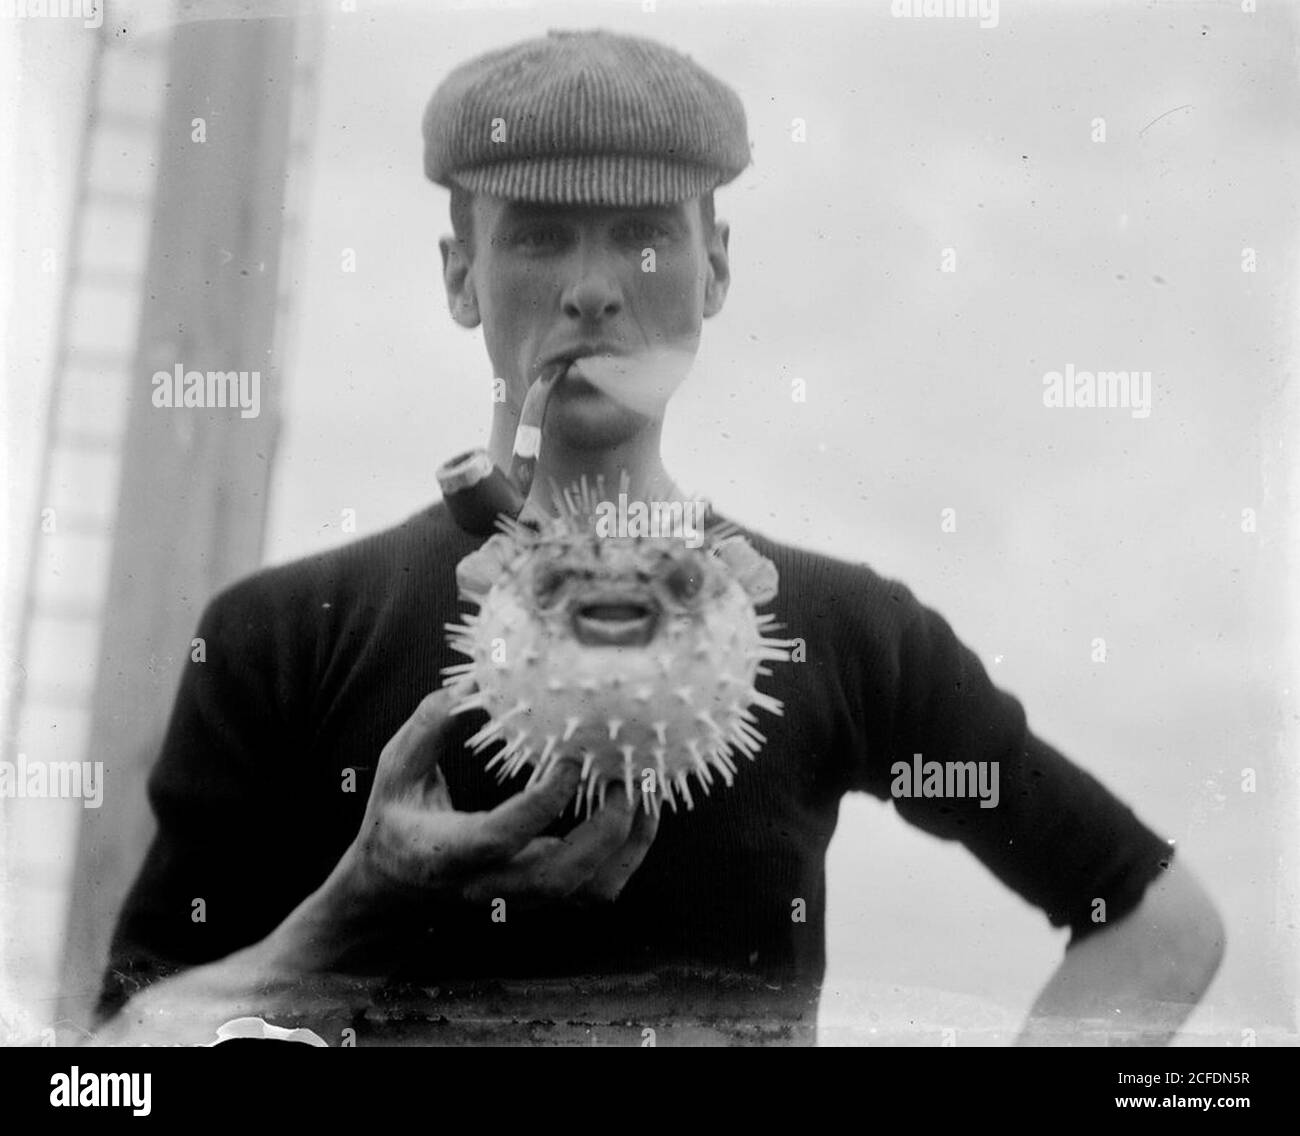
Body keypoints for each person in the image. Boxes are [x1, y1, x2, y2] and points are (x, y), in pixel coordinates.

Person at [93, 28, 1224, 1047]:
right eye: (538, 236)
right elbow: (111, 1066)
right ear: (459, 274)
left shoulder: (849, 628)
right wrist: (348, 917)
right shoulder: (280, 637)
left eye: (641, 236)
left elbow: (1158, 919)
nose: (592, 288)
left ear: (714, 266)